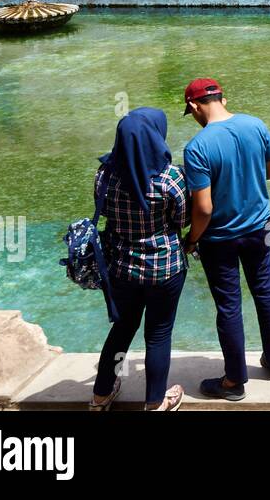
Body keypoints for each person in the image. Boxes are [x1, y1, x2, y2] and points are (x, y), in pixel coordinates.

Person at [182, 78, 270, 401]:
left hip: (221, 238)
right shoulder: (255, 125)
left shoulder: (197, 148)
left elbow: (203, 208)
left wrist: (191, 239)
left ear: (194, 107)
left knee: (229, 306)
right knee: (265, 291)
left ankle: (234, 381)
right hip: (260, 228)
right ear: (223, 99)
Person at [89, 108, 189, 412]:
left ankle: (100, 395)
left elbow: (103, 213)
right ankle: (156, 403)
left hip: (121, 267)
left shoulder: (105, 176)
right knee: (158, 333)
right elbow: (182, 220)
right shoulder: (171, 179)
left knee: (122, 329)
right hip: (165, 268)